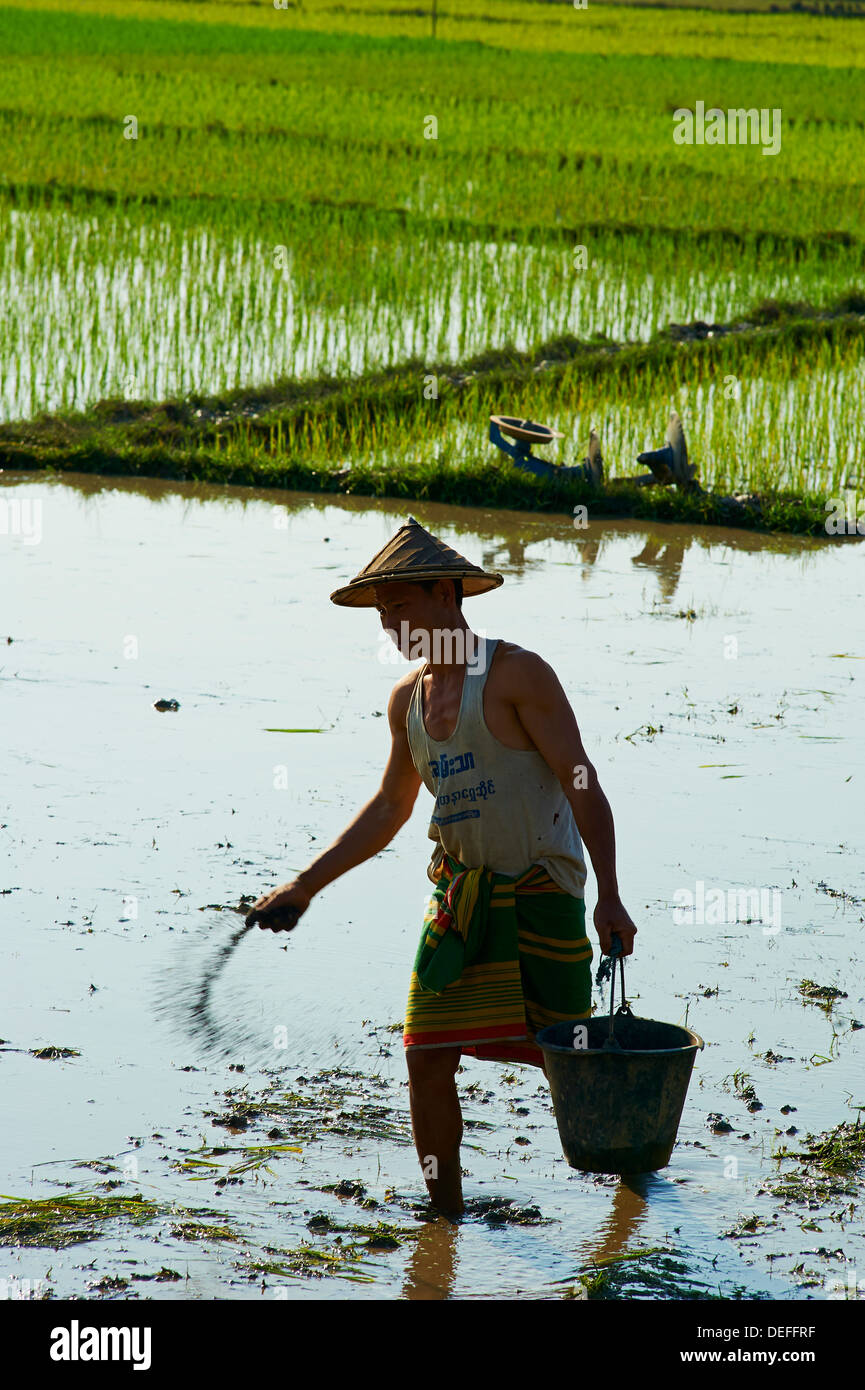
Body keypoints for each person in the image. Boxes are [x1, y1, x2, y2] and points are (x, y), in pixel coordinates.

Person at [247, 517, 637, 1218]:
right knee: (425, 1055)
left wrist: (609, 896)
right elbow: (389, 809)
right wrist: (306, 885)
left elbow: (580, 780)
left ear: (446, 592)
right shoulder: (406, 702)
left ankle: (632, 1187)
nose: (390, 625)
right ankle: (444, 1215)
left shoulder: (517, 674)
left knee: (566, 1060)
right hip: (459, 899)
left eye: (400, 605)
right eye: (382, 613)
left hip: (540, 892)